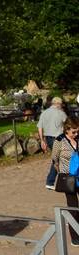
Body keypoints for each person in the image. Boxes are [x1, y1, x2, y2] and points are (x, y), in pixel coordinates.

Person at [51, 116, 79, 244]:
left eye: (78, 131)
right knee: (73, 207)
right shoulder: (59, 141)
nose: (76, 134)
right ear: (67, 130)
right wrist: (61, 171)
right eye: (74, 132)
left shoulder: (78, 139)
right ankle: (75, 236)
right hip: (69, 178)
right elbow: (54, 159)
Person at [38, 96, 67, 190]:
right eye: (61, 104)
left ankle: (52, 181)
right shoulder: (61, 113)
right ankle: (51, 181)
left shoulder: (44, 113)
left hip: (48, 138)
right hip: (58, 138)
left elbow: (39, 127)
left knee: (57, 158)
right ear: (58, 104)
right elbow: (67, 125)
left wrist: (42, 140)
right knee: (59, 159)